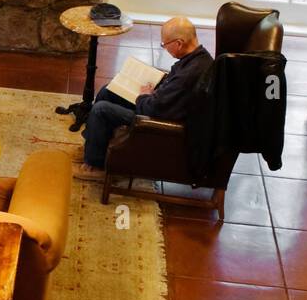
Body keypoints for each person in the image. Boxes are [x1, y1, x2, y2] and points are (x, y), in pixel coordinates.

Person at [75, 15, 213, 181]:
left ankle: (95, 167)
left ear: (179, 43)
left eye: (164, 44)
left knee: (101, 109)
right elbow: (170, 91)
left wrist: (143, 96)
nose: (165, 48)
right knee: (107, 91)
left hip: (157, 121)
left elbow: (154, 109)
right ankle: (94, 145)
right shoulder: (199, 58)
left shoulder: (190, 75)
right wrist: (155, 89)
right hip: (159, 104)